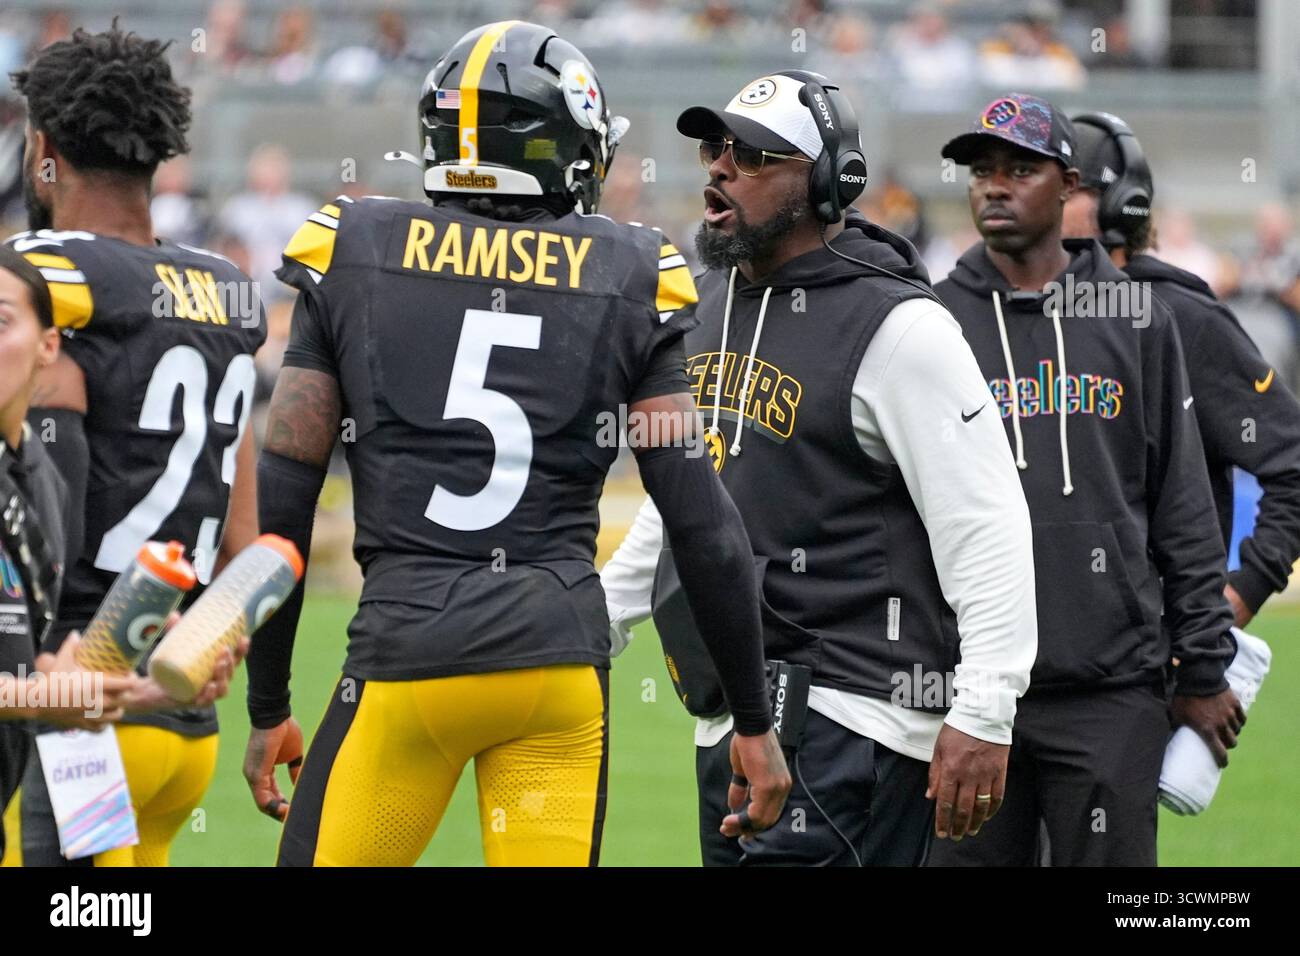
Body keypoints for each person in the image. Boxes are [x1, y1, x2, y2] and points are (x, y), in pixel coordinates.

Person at [242, 20, 788, 868]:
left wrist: (267, 702)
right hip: (555, 665)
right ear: (565, 142)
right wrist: (752, 721)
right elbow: (702, 520)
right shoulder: (633, 267)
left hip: (404, 655)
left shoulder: (351, 245)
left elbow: (285, 500)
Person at [601, 70, 1038, 866]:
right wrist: (595, 621)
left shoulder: (900, 325)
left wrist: (986, 706)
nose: (720, 168)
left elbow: (987, 521)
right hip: (732, 715)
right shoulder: (701, 309)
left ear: (830, 182)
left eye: (754, 155)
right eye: (714, 148)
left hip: (855, 719)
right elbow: (683, 508)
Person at [928, 93, 1242, 866]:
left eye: (1019, 170)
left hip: (1111, 690)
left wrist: (1202, 664)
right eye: (981, 172)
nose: (994, 186)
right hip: (970, 696)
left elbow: (1183, 506)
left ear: (1068, 185)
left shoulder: (1137, 319)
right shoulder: (930, 323)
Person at [9, 24, 258, 867]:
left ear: (44, 147)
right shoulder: (226, 290)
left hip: (73, 701)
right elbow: (248, 549)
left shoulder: (44, 280)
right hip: (181, 726)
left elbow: (41, 509)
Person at [1063, 111, 1300, 631]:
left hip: (1153, 672)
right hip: (1041, 663)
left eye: (1068, 185)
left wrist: (1242, 592)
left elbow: (1293, 460)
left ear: (1118, 205)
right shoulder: (1011, 313)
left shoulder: (1182, 317)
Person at [0, 246, 137, 862]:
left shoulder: (45, 477)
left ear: (49, 345)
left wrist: (160, 686)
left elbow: (22, 666)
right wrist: (43, 696)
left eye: (0, 320)